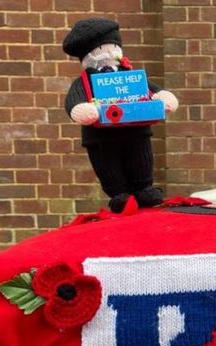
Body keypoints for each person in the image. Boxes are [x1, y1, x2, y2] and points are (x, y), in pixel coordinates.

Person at [62, 18, 178, 212]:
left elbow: (150, 90)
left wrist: (163, 97)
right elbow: (73, 101)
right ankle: (119, 194)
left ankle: (144, 189)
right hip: (101, 139)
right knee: (109, 168)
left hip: (136, 133)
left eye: (113, 46)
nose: (109, 52)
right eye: (101, 49)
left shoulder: (130, 75)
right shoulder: (85, 81)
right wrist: (82, 110)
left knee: (141, 160)